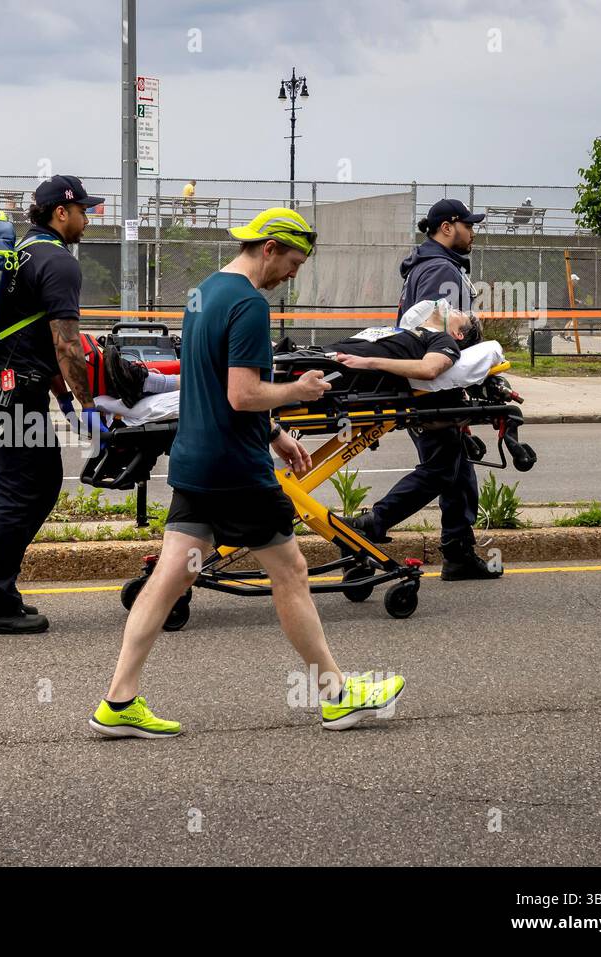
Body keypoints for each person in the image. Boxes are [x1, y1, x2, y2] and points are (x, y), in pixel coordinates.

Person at [89, 207, 406, 738]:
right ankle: (336, 697)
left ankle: (119, 702)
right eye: (293, 261)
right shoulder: (249, 306)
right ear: (268, 249)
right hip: (236, 471)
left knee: (169, 579)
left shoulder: (205, 292)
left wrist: (274, 433)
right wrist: (298, 393)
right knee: (292, 573)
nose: (294, 274)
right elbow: (243, 393)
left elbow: (209, 386)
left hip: (195, 460)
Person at [0, 174, 104, 635]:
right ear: (60, 213)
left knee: (30, 483)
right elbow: (65, 346)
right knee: (23, 487)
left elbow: (29, 338)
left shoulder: (22, 253)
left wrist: (65, 401)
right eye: (84, 210)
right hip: (12, 391)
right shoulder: (60, 263)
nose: (89, 217)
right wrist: (89, 407)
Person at [368, 198, 500, 582]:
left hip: (439, 386)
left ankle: (458, 553)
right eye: (469, 225)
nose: (473, 232)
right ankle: (374, 521)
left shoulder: (434, 266)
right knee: (442, 469)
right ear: (448, 227)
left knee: (458, 470)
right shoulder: (439, 269)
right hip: (430, 387)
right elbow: (428, 333)